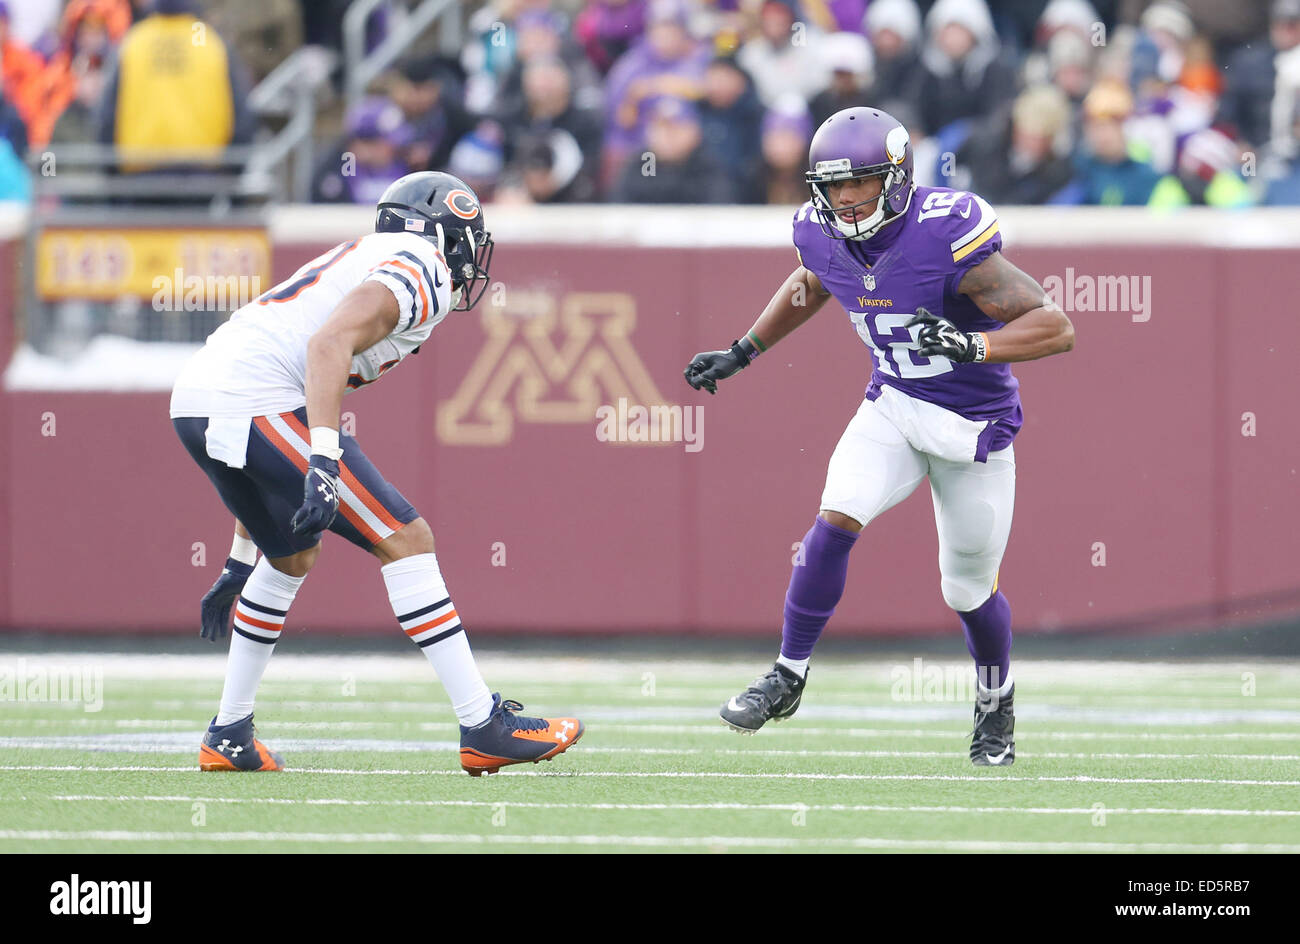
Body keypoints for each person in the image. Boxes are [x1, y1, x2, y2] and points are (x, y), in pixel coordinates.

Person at [684, 107, 1074, 766]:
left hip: (971, 427)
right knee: (835, 519)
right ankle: (787, 673)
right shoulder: (818, 231)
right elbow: (812, 281)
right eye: (832, 185)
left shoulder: (944, 234)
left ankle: (994, 699)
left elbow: (1057, 325)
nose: (842, 198)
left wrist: (972, 342)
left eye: (857, 182)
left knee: (967, 588)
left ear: (895, 176)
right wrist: (744, 350)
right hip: (893, 404)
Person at [170, 172, 585, 776]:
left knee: (289, 558)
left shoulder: (377, 256)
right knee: (406, 539)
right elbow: (326, 346)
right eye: (468, 236)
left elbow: (271, 392)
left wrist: (239, 559)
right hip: (248, 400)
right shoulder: (422, 265)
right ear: (442, 231)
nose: (472, 253)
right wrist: (322, 458)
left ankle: (229, 732)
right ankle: (483, 725)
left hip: (203, 400)